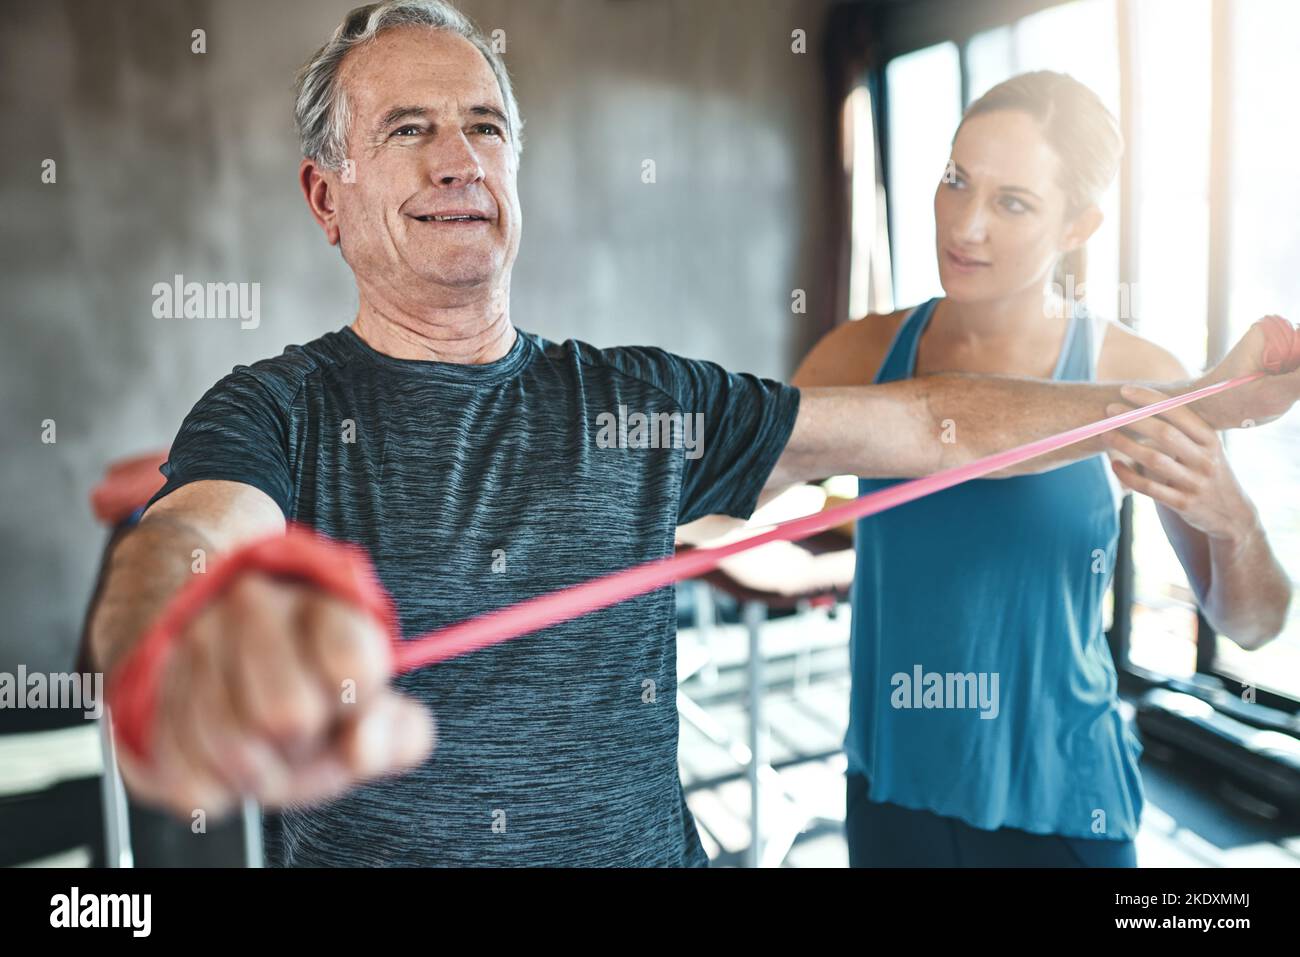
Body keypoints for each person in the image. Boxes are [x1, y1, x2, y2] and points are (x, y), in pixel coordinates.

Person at [89, 4, 1299, 866]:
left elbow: (932, 420)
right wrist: (183, 629)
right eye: (407, 129)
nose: (458, 157)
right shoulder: (276, 409)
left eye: (485, 126)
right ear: (325, 196)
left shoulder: (640, 397)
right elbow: (189, 535)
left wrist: (1199, 404)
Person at [794, 71, 1294, 867]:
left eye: (1013, 202)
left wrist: (1235, 522)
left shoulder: (1134, 371)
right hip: (893, 792)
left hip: (1064, 803)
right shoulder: (859, 353)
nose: (966, 224)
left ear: (1078, 225)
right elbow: (732, 486)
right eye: (956, 180)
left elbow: (1255, 622)